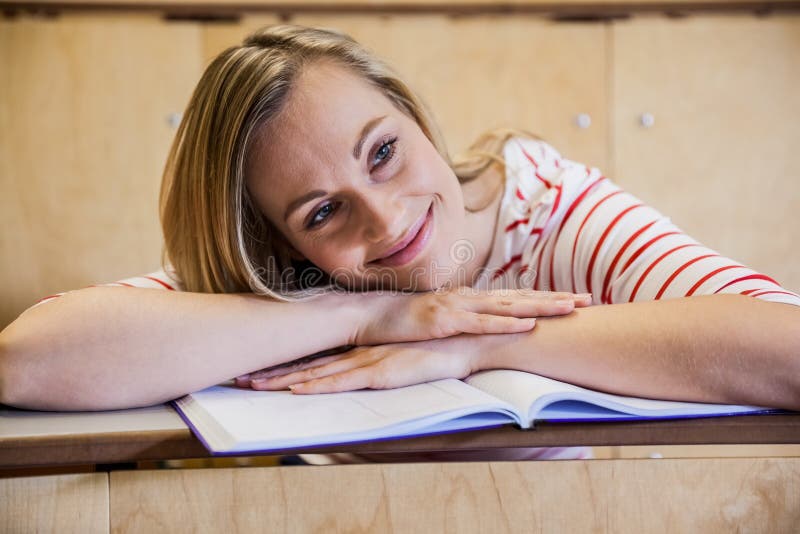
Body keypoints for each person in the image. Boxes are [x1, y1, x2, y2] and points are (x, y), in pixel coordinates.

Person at [1, 25, 798, 447]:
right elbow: (29, 358)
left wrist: (477, 343)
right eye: (321, 213)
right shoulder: (298, 284)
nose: (386, 221)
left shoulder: (543, 206)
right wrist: (359, 317)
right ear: (283, 247)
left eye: (383, 152)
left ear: (415, 114)